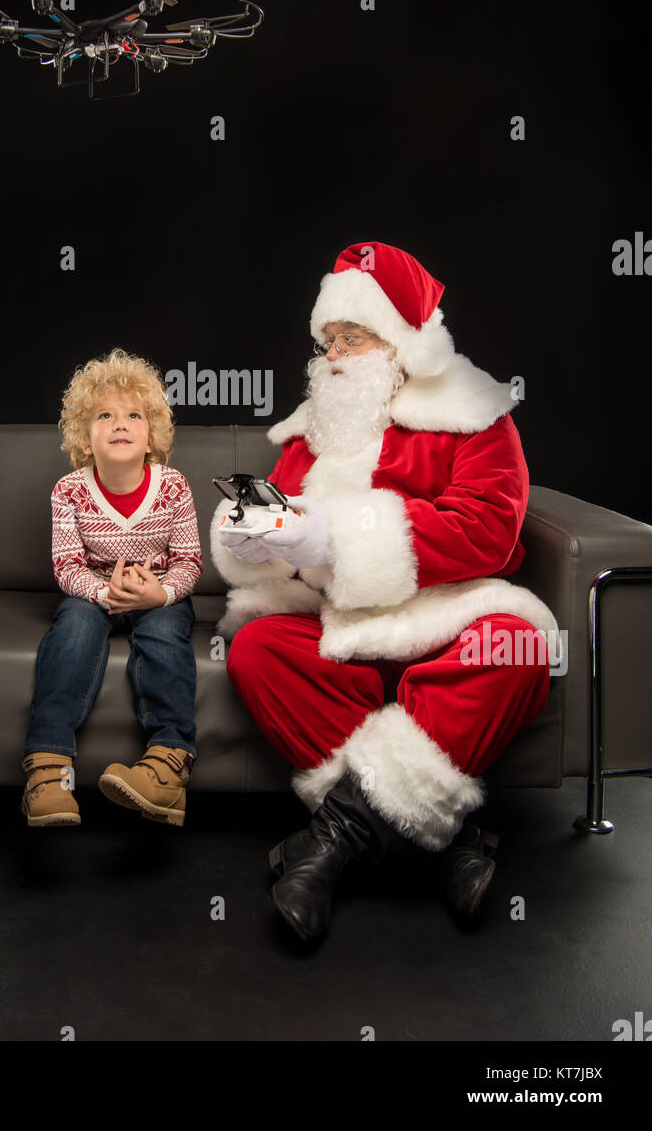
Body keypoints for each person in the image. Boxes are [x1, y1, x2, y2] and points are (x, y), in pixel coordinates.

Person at [210, 241, 558, 942]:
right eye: (328, 338)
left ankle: (332, 843)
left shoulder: (475, 414)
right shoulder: (316, 429)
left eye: (353, 336)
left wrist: (339, 537)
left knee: (519, 646)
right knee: (256, 648)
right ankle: (446, 838)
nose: (333, 354)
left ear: (402, 341)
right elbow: (292, 539)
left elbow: (486, 529)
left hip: (446, 617)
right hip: (342, 623)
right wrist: (260, 541)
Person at [22, 347, 202, 829]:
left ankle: (167, 762)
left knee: (166, 635)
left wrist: (159, 595)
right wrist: (105, 595)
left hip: (157, 593)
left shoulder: (175, 486)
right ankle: (48, 768)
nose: (120, 423)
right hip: (93, 595)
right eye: (105, 415)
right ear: (85, 440)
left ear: (151, 437)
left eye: (133, 415)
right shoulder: (69, 490)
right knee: (73, 631)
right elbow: (66, 566)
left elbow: (189, 562)